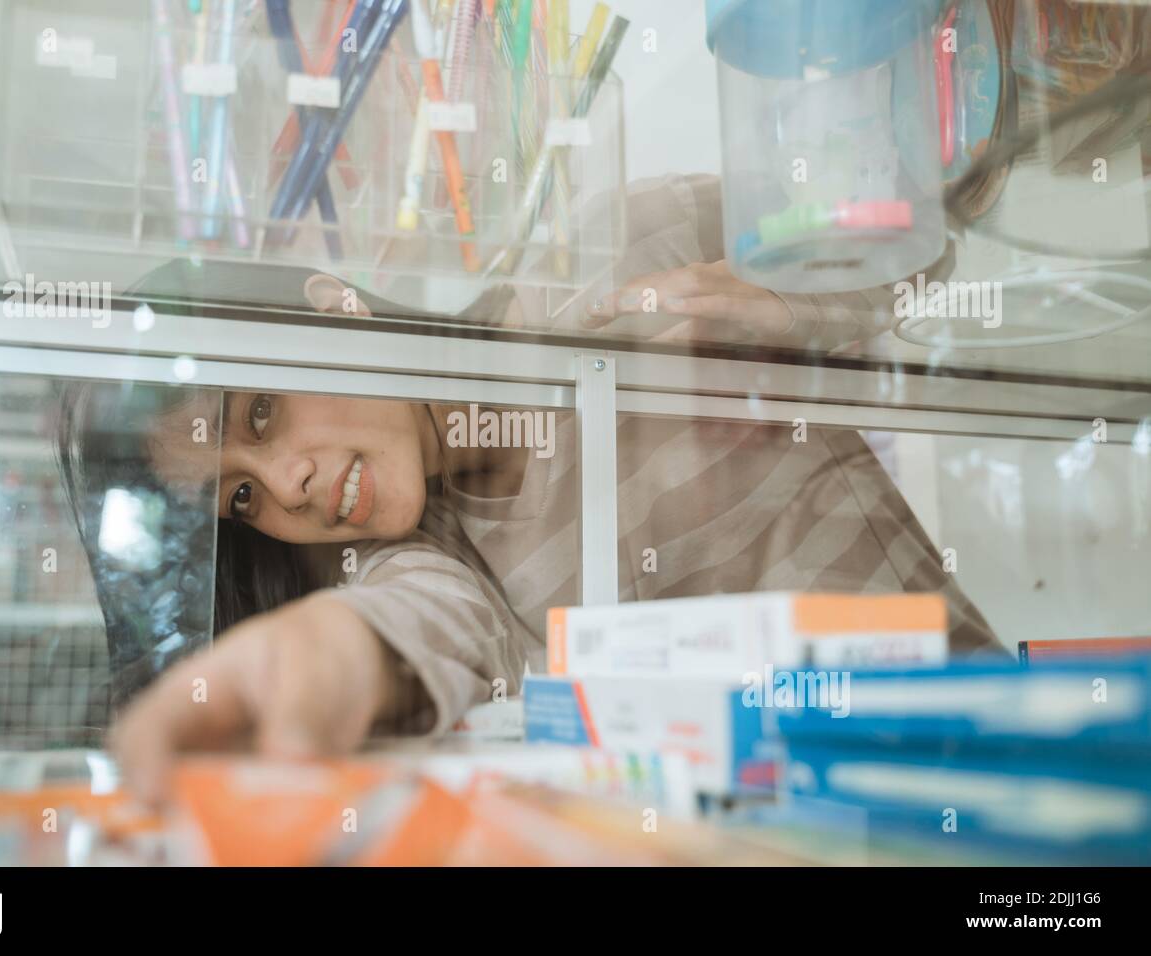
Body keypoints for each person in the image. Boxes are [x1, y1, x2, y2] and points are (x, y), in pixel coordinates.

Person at [57, 174, 999, 802]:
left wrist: (797, 296)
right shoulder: (420, 563)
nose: (288, 484)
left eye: (260, 416)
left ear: (333, 306)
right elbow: (412, 624)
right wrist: (326, 647)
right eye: (243, 500)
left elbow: (920, 248)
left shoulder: (622, 242)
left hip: (997, 757)